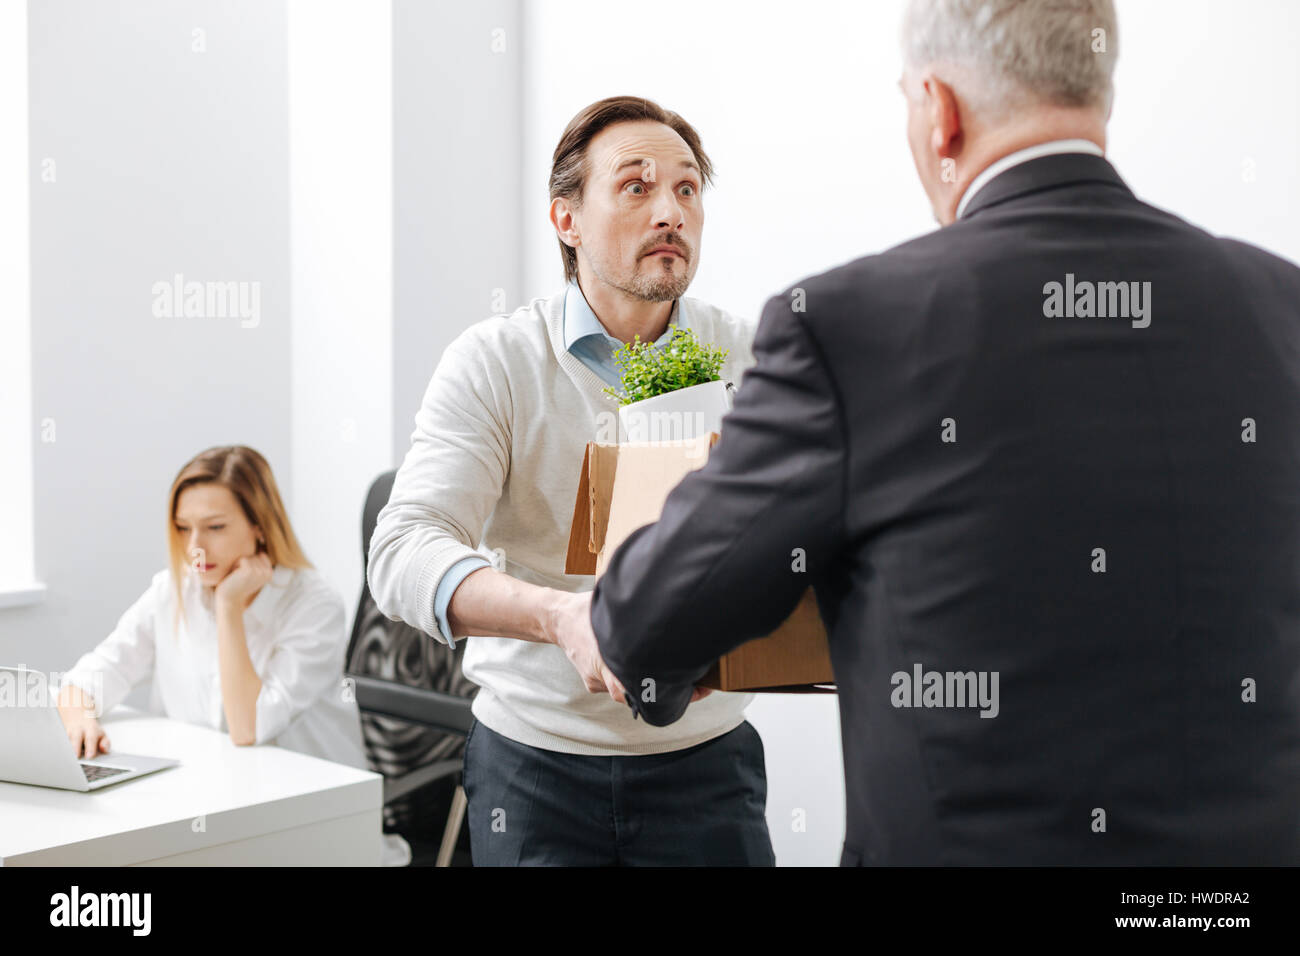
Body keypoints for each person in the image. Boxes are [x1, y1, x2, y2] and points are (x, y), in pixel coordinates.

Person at [584, 0, 1300, 865]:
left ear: (940, 110)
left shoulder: (850, 327)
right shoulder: (1279, 306)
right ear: (1095, 89)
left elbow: (647, 627)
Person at [368, 96, 774, 865]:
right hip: (534, 768)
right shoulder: (497, 363)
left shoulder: (747, 356)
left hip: (708, 764)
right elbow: (402, 549)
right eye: (636, 186)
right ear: (566, 220)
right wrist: (561, 617)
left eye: (688, 190)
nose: (671, 211)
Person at [57, 445, 410, 866]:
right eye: (183, 528)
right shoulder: (172, 591)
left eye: (215, 527)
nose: (195, 548)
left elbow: (248, 726)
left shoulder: (313, 605)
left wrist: (228, 608)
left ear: (260, 525)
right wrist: (80, 716)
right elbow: (91, 675)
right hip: (209, 805)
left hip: (310, 826)